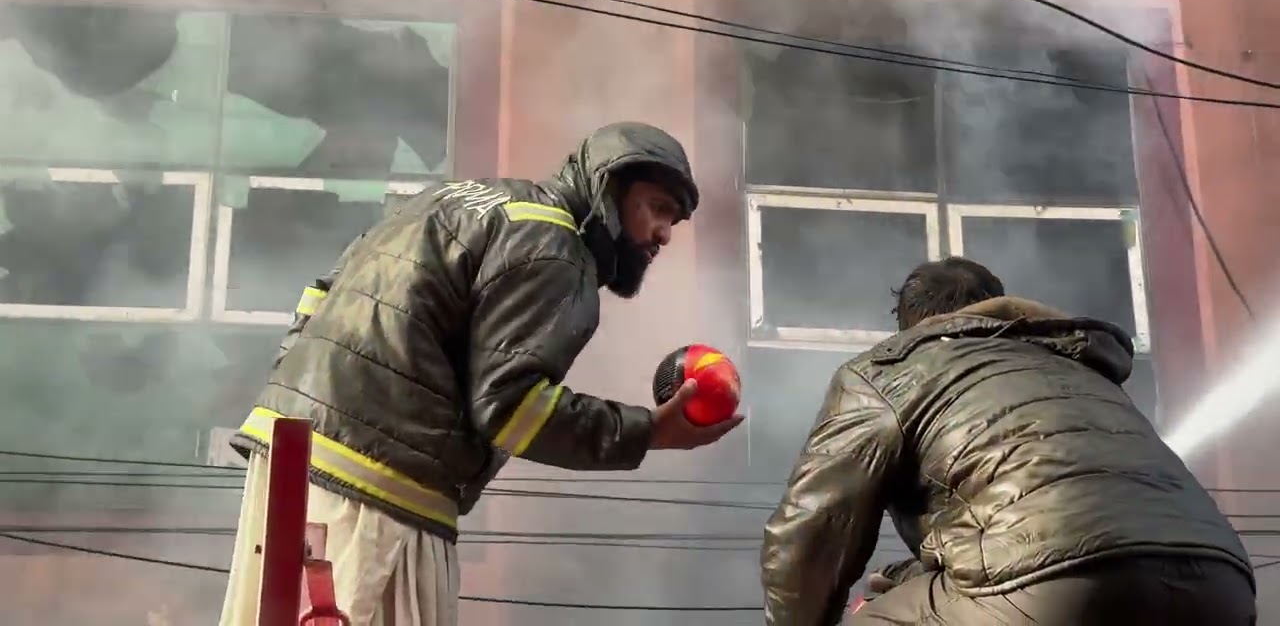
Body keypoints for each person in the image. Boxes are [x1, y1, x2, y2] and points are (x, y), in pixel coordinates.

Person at [218, 122, 744, 626]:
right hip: (378, 486)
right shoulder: (558, 250)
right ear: (609, 188)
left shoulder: (454, 198)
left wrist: (299, 399)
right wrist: (648, 432)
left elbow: (319, 293)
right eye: (658, 209)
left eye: (673, 220)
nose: (664, 235)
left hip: (287, 456)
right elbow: (510, 408)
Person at [760, 257, 1256, 625]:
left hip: (1050, 587)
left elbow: (810, 531)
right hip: (1223, 587)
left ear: (911, 327)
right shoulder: (1086, 373)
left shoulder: (891, 370)